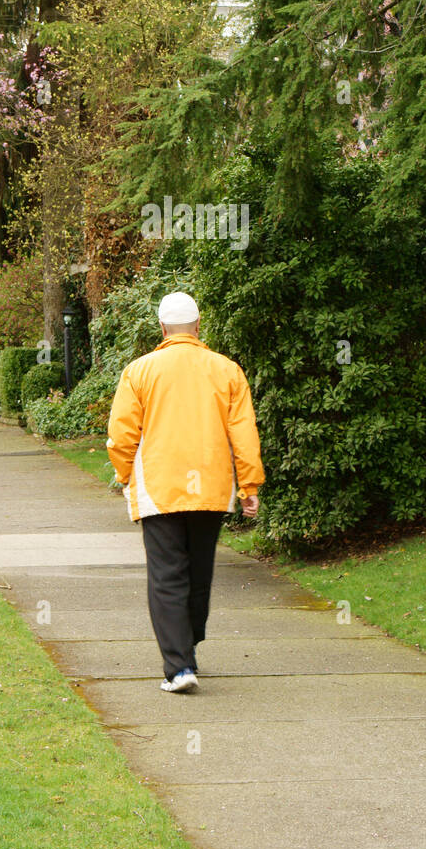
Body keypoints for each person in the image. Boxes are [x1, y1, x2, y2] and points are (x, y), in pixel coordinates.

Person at [106, 291, 264, 692]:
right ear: (198, 326)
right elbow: (243, 433)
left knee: (167, 576)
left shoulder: (139, 371)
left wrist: (127, 477)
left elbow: (121, 435)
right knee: (199, 573)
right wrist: (249, 485)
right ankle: (187, 649)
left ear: (162, 328)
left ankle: (179, 666)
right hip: (210, 485)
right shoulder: (227, 370)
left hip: (160, 487)